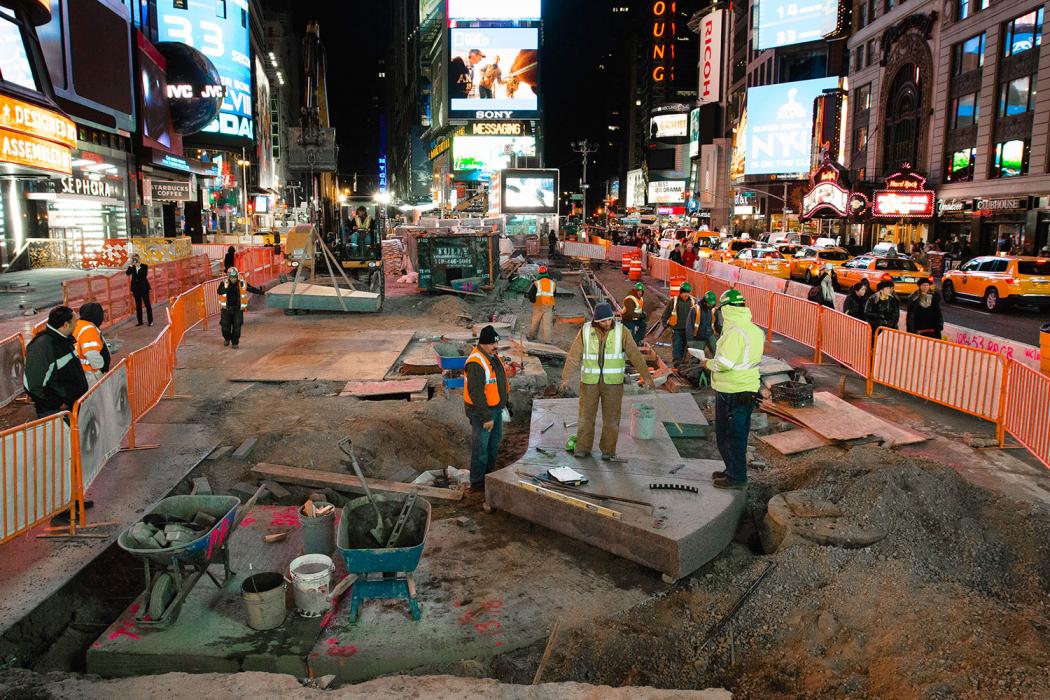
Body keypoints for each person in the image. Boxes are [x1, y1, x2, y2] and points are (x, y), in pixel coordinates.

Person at [560, 303, 654, 461]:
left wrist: (647, 376)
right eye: (603, 321)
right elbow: (574, 355)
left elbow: (635, 354)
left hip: (613, 384)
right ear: (596, 321)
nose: (607, 323)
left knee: (611, 419)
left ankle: (608, 451)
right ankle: (582, 448)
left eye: (610, 319)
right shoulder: (585, 330)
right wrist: (565, 378)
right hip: (590, 382)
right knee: (585, 417)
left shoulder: (622, 331)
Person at [703, 290, 764, 490]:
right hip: (747, 388)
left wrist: (707, 363)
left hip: (731, 390)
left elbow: (725, 363)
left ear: (726, 309)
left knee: (728, 435)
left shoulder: (734, 332)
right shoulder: (754, 330)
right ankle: (732, 470)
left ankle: (736, 477)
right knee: (739, 434)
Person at [463, 325, 509, 492]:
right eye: (492, 344)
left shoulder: (492, 357)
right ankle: (477, 483)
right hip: (482, 413)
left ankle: (489, 476)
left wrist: (504, 404)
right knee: (481, 449)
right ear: (482, 343)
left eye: (496, 343)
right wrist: (486, 417)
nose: (495, 347)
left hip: (495, 409)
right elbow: (476, 393)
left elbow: (497, 382)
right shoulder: (476, 363)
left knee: (493, 445)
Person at [23, 306, 87, 418]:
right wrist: (57, 404)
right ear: (66, 324)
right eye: (74, 322)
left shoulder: (64, 340)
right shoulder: (43, 347)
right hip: (57, 412)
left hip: (71, 406)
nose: (76, 325)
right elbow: (32, 386)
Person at [217, 267, 264, 348]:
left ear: (237, 276)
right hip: (226, 310)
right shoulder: (224, 283)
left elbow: (252, 289)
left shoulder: (242, 283)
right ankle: (227, 339)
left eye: (235, 277)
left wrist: (262, 292)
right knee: (225, 327)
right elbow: (219, 291)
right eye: (231, 277)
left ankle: (235, 343)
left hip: (237, 310)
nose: (233, 279)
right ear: (228, 276)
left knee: (237, 327)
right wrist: (226, 289)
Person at [73, 302, 110, 387]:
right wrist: (100, 369)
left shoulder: (79, 325)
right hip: (90, 374)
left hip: (80, 371)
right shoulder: (89, 329)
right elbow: (91, 353)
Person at [661, 281, 695, 365]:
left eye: (687, 293)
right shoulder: (674, 301)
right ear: (680, 293)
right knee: (677, 345)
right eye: (684, 293)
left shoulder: (692, 302)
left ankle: (683, 361)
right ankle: (677, 362)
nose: (685, 295)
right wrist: (664, 322)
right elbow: (667, 312)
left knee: (685, 346)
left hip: (688, 329)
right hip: (677, 329)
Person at [526, 266, 556, 344]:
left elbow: (531, 295)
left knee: (535, 321)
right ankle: (548, 340)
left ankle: (531, 336)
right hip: (549, 306)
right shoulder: (552, 283)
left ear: (539, 274)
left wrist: (533, 301)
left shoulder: (536, 283)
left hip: (538, 305)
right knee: (547, 324)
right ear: (547, 274)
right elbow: (554, 294)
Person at [686, 291, 718, 358]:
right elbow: (689, 326)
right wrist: (690, 341)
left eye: (712, 304)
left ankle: (717, 367)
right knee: (696, 357)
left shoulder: (713, 309)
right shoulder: (695, 309)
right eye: (709, 304)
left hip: (710, 335)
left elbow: (717, 324)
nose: (711, 306)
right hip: (698, 337)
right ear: (705, 302)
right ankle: (694, 367)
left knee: (717, 353)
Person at [125, 254, 153, 326]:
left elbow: (143, 275)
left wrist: (138, 266)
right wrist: (131, 265)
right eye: (134, 259)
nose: (135, 260)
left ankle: (150, 321)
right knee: (138, 305)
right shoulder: (132, 267)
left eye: (136, 259)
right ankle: (140, 322)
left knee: (147, 305)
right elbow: (127, 273)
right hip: (135, 289)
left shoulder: (144, 266)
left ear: (139, 259)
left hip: (144, 288)